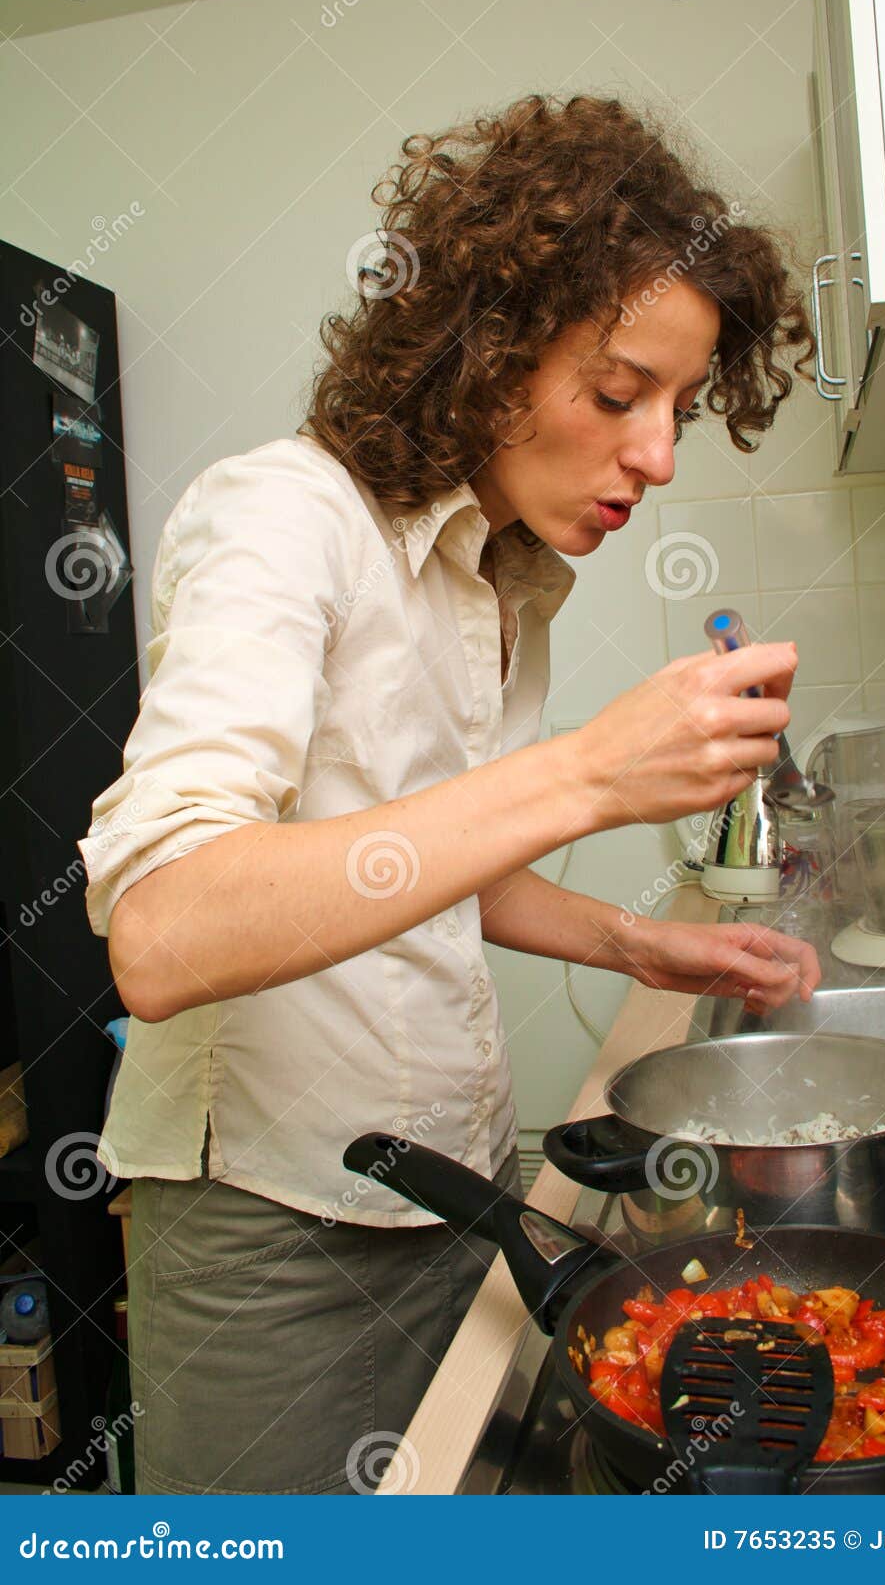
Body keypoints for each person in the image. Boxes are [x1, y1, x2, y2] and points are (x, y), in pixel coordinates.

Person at [78, 91, 821, 1495]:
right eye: (616, 395)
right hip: (274, 1232)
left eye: (676, 405)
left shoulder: (505, 577)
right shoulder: (279, 517)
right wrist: (589, 770)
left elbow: (419, 857)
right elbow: (163, 930)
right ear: (482, 353)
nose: (657, 456)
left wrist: (632, 942)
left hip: (453, 1188)